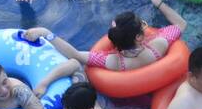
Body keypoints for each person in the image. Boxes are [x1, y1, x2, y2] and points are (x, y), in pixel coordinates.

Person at [23, 5, 185, 85]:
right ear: (139, 36)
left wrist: (46, 33)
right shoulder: (158, 45)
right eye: (142, 24)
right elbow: (181, 24)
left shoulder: (113, 62)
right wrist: (158, 2)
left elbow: (75, 55)